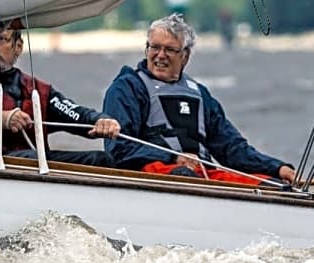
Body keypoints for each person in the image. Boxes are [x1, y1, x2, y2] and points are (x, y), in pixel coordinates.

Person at [102, 13, 296, 185]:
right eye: (155, 47)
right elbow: (119, 149)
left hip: (202, 174)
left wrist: (278, 168)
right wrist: (173, 157)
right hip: (155, 174)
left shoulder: (200, 94)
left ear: (185, 56)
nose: (160, 55)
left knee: (273, 185)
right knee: (185, 175)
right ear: (147, 49)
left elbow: (232, 149)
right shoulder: (127, 88)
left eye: (169, 50)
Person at [0, 19, 120, 167]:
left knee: (100, 160)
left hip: (29, 168)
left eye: (1, 39)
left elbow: (76, 115)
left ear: (18, 47)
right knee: (31, 158)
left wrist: (101, 120)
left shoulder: (38, 91)